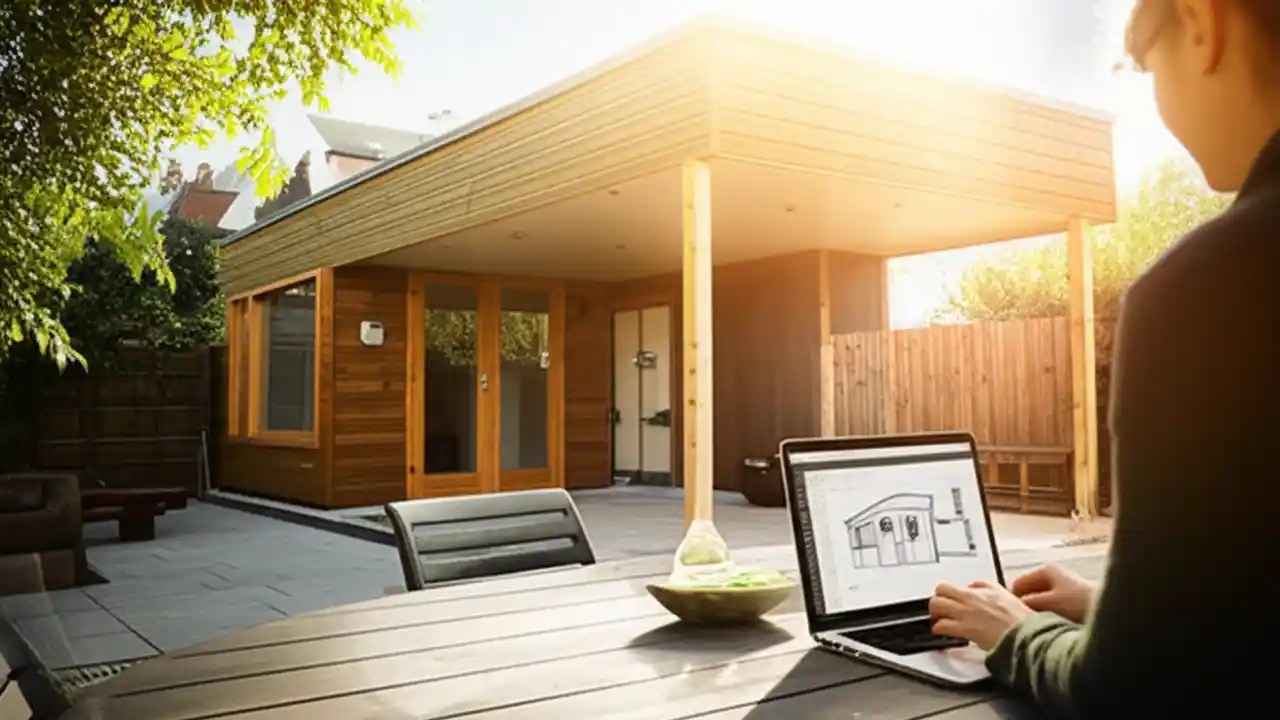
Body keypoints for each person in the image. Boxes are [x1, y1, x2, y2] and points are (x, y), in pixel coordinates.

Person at [927, 0, 1280, 717]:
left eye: (1146, 64)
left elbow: (1131, 694)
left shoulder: (1211, 291)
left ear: (1202, 21)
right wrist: (1127, 610)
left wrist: (1019, 633)